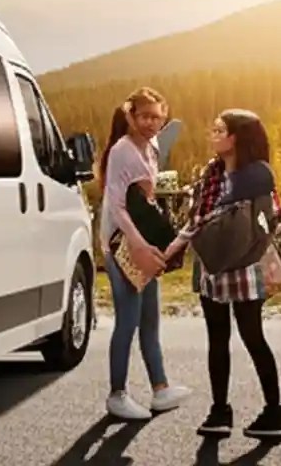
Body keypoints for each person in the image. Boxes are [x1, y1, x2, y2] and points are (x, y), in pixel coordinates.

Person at [162, 109, 281, 440]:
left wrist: (175, 246)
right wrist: (172, 248)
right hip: (214, 264)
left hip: (246, 264)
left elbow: (270, 217)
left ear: (236, 137)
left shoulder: (258, 175)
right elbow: (197, 221)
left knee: (252, 336)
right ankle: (220, 411)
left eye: (219, 130)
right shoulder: (212, 173)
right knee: (217, 339)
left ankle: (275, 412)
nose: (213, 135)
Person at [97, 87, 192, 420]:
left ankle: (160, 389)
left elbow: (144, 197)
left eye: (157, 117)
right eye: (146, 116)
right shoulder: (123, 150)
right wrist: (138, 244)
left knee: (150, 318)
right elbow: (118, 206)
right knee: (128, 319)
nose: (152, 123)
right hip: (121, 243)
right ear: (131, 116)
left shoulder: (150, 147)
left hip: (141, 240)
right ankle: (117, 394)